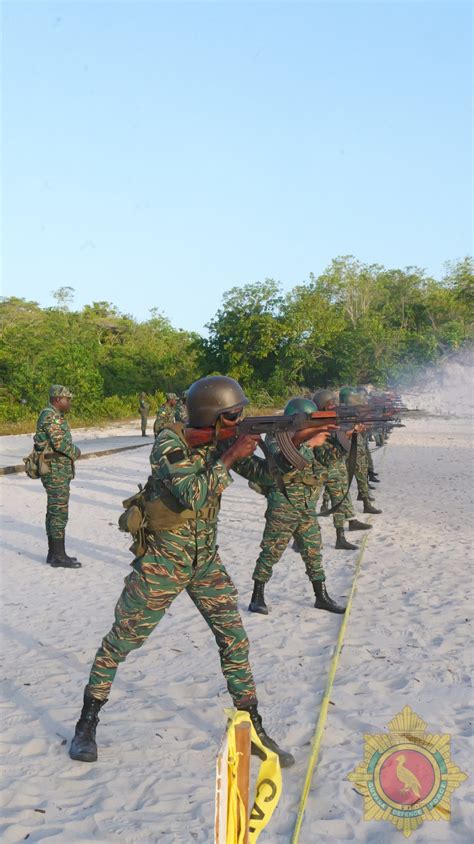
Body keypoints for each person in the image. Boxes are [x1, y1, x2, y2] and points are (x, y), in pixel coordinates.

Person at [69, 376, 294, 768]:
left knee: (235, 642)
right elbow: (193, 493)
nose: (241, 420)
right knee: (121, 642)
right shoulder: (168, 444)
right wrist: (229, 456)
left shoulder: (223, 441)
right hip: (163, 564)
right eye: (234, 416)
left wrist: (290, 445)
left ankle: (253, 729)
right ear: (213, 417)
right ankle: (86, 723)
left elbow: (265, 479)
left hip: (205, 562)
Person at [248, 398, 346, 617]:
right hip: (283, 501)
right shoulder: (276, 434)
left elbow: (327, 460)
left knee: (313, 550)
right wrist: (307, 442)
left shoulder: (310, 436)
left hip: (306, 502)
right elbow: (282, 460)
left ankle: (321, 596)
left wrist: (346, 437)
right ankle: (257, 597)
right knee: (271, 550)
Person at [312, 389, 372, 547]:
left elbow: (340, 443)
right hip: (319, 470)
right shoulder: (314, 425)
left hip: (335, 467)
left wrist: (350, 433)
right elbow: (324, 453)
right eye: (330, 404)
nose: (334, 406)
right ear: (322, 407)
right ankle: (300, 537)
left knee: (339, 501)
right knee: (307, 505)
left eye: (334, 403)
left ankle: (340, 537)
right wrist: (346, 435)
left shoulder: (332, 422)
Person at [34, 384, 81, 568]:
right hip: (55, 471)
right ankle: (58, 555)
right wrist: (76, 451)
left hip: (57, 469)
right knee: (59, 511)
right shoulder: (51, 416)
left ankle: (54, 553)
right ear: (57, 399)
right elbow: (60, 443)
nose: (69, 402)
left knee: (54, 510)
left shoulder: (54, 414)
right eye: (67, 399)